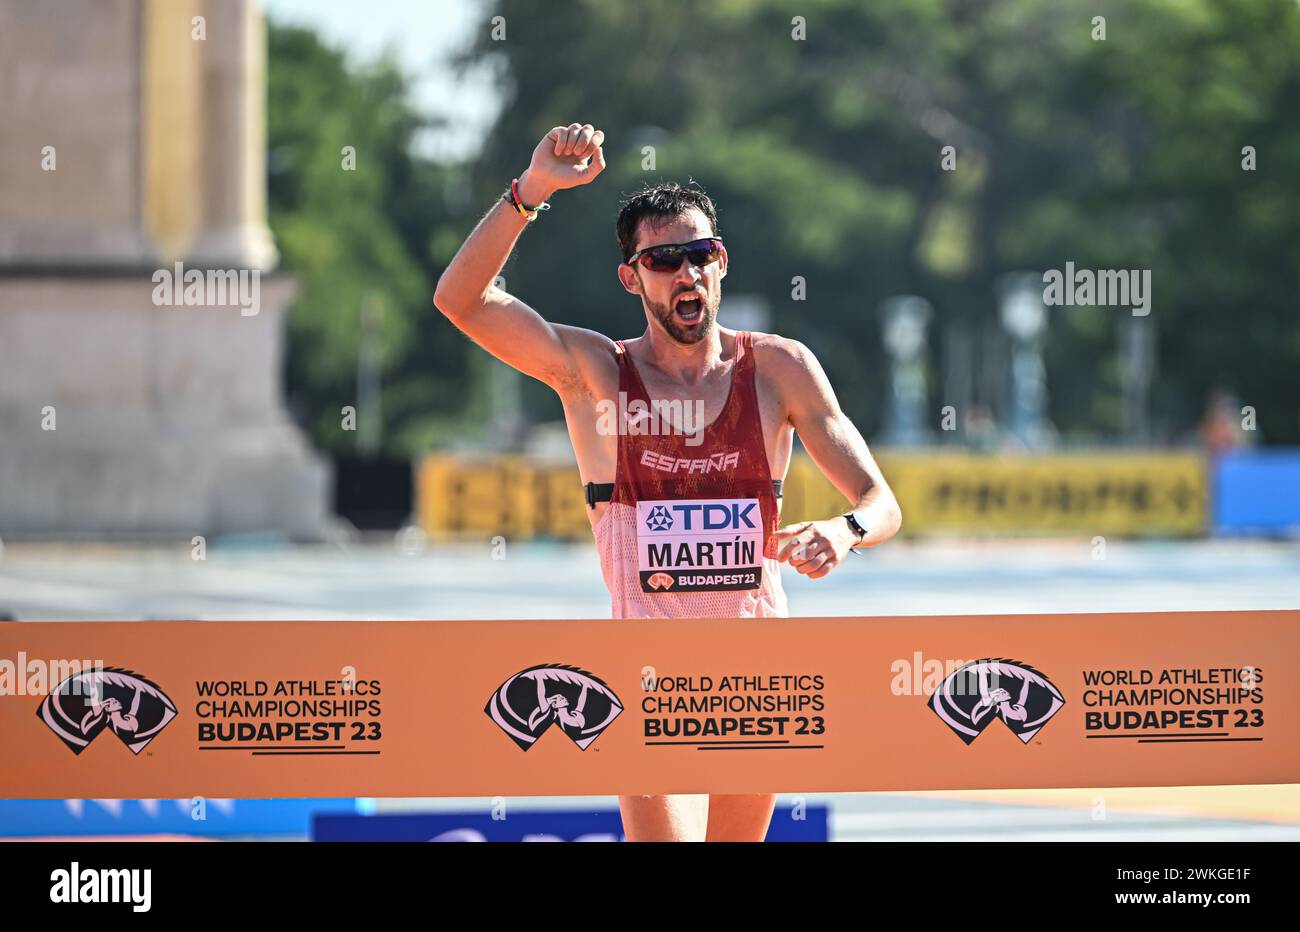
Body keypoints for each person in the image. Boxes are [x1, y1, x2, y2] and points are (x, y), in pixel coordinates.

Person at [435, 122, 902, 841]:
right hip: (645, 678)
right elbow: (461, 302)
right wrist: (530, 193)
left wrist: (845, 531)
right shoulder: (595, 374)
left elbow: (882, 502)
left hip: (756, 675)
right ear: (632, 277)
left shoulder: (778, 369)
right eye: (663, 259)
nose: (686, 273)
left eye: (700, 254)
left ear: (722, 264)